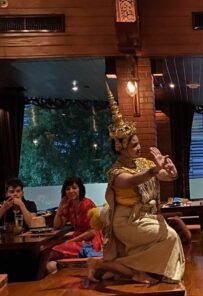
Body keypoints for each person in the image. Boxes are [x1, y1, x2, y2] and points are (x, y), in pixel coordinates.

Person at [87, 85, 185, 284]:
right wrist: (153, 171)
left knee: (169, 238)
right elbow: (132, 180)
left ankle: (118, 268)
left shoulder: (143, 163)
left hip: (148, 218)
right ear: (120, 148)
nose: (139, 147)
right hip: (127, 222)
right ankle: (127, 269)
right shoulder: (116, 172)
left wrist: (171, 173)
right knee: (171, 237)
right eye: (134, 145)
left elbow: (163, 176)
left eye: (139, 143)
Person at [39, 176, 104, 277]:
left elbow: (92, 231)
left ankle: (38, 278)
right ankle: (42, 277)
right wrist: (60, 208)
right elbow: (57, 226)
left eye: (74, 188)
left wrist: (71, 241)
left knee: (52, 250)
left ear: (80, 189)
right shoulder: (68, 205)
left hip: (91, 240)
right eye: (68, 189)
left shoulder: (87, 204)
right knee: (49, 250)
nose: (71, 191)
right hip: (78, 238)